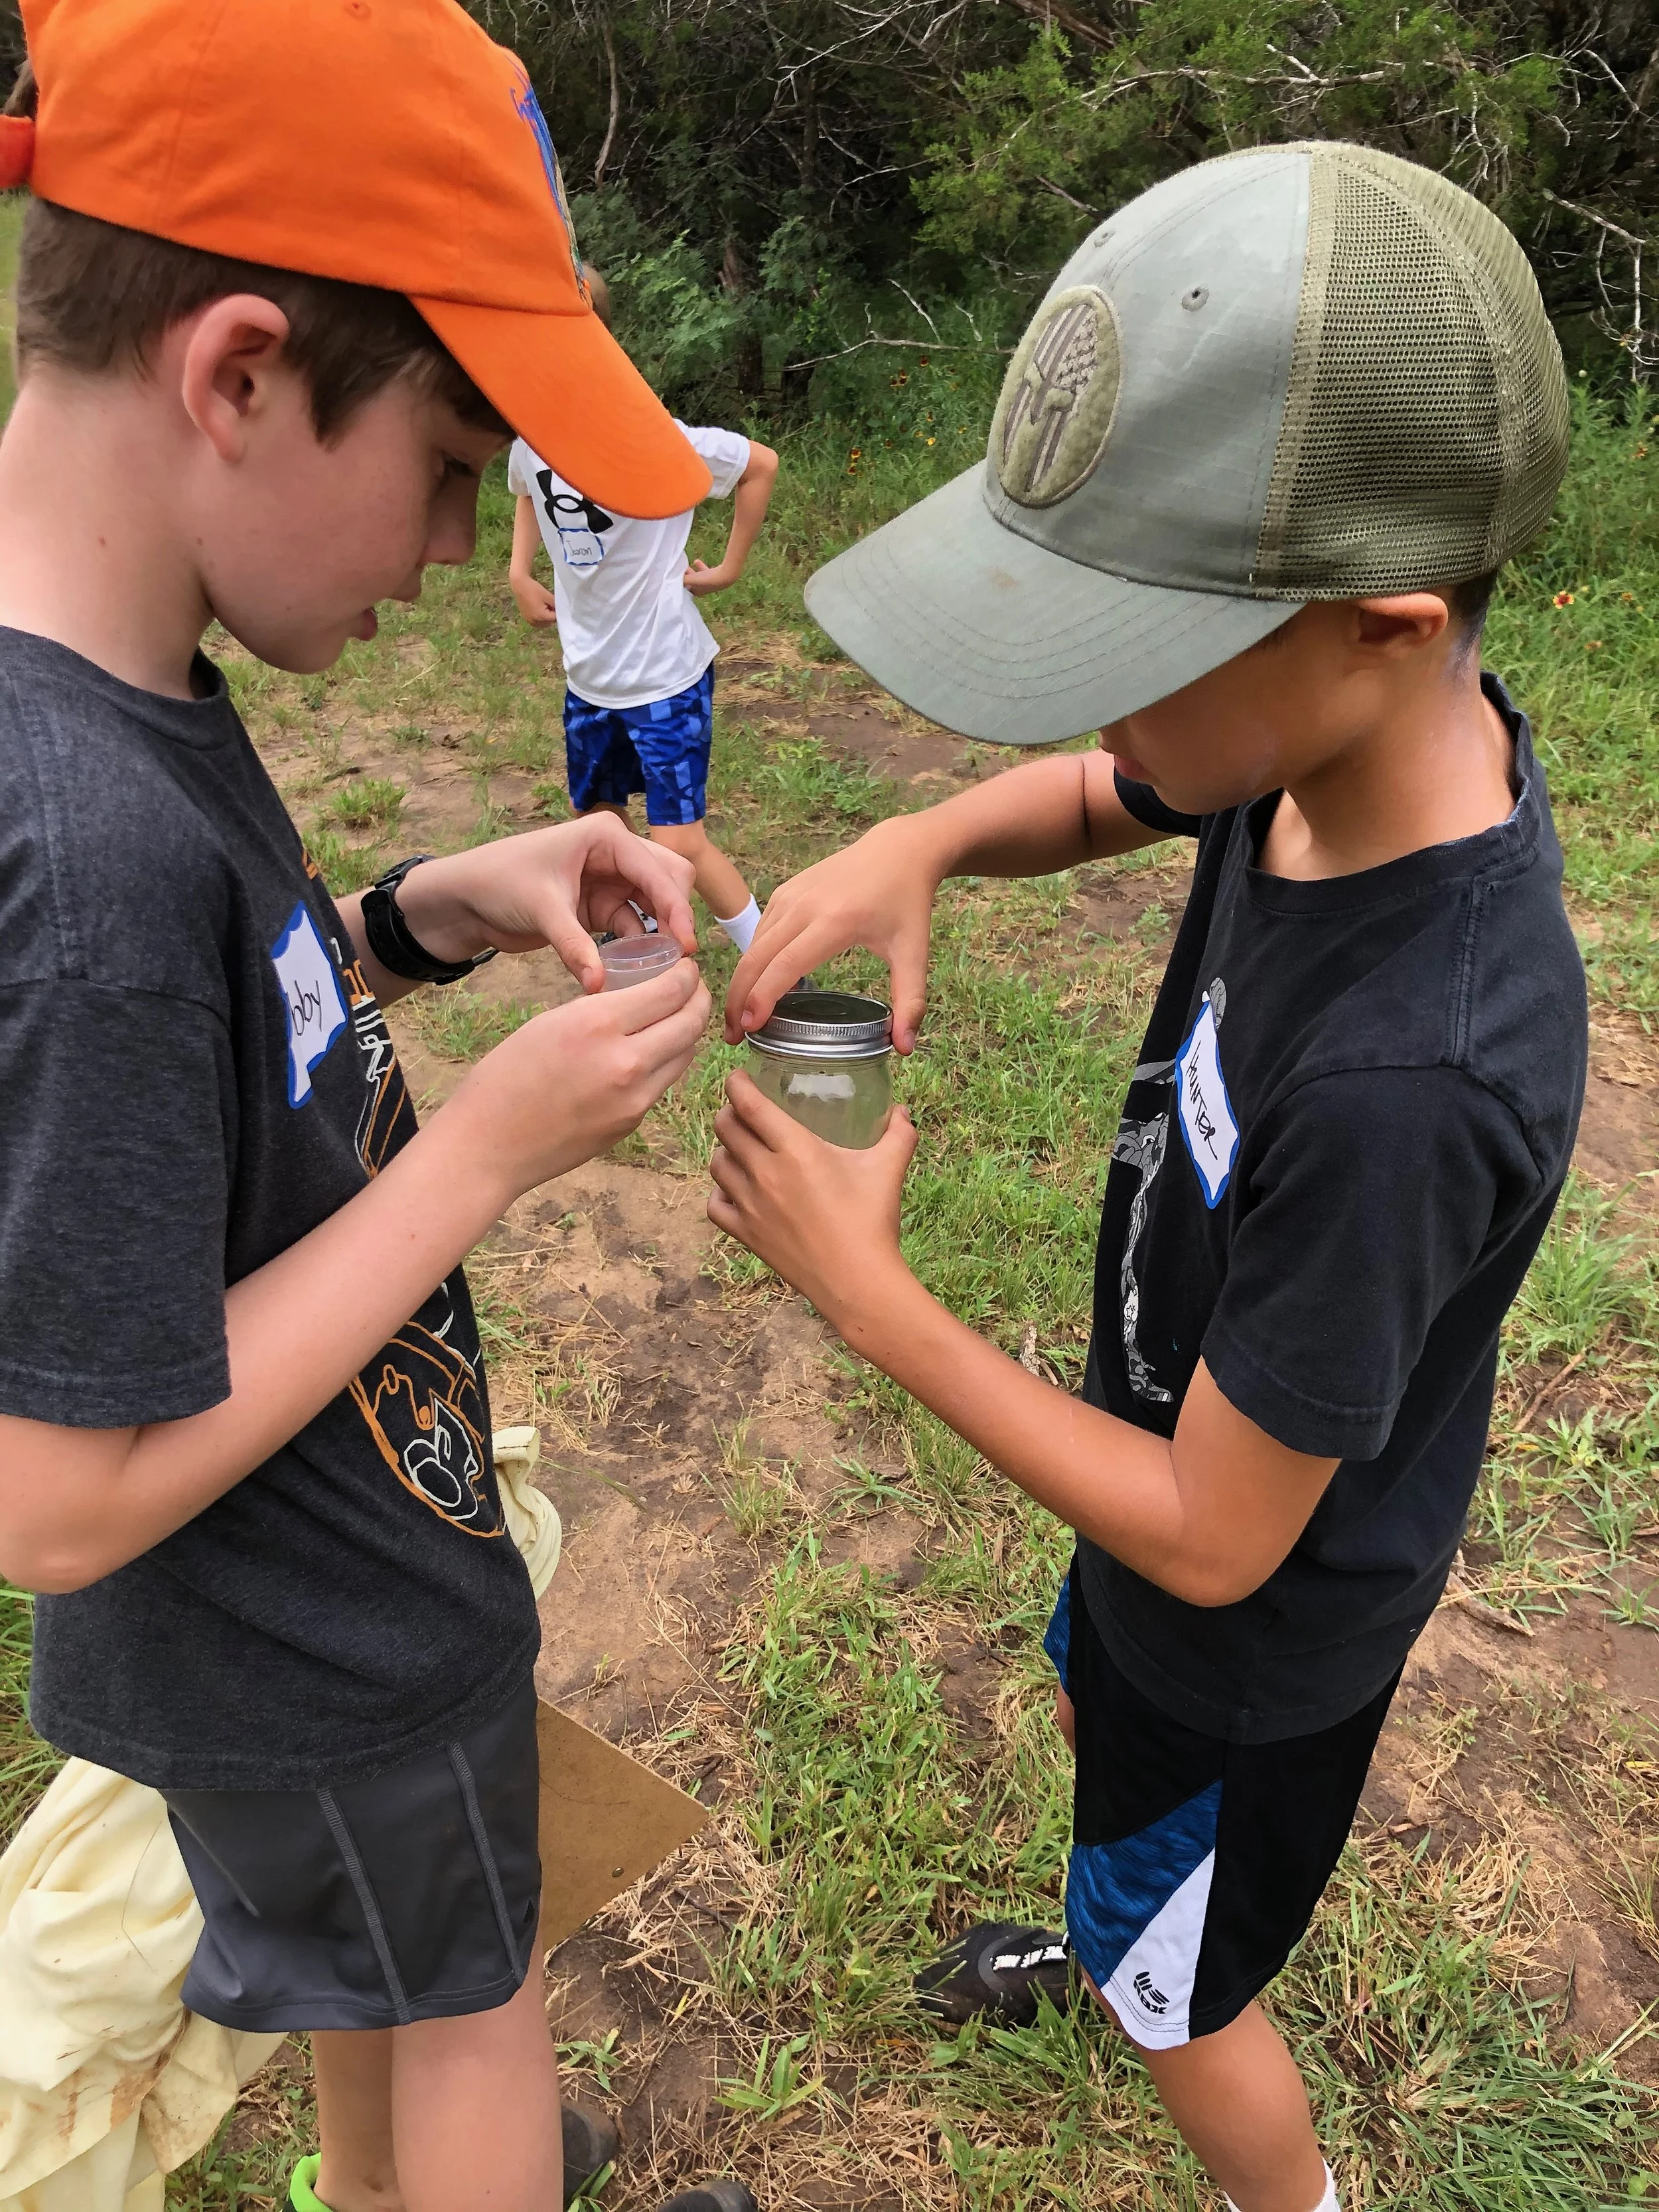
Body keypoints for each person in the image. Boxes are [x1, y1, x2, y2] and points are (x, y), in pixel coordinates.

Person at [706, 141, 1587, 2212]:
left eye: (1140, 637)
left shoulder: (1410, 1072)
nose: (1099, 697)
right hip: (1157, 1511)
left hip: (1241, 1634)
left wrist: (873, 1300)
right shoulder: (1318, 751)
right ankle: (1122, 1895)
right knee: (1108, 1750)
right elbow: (1119, 788)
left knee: (1172, 1992)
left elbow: (1205, 1535)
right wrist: (922, 840)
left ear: (1375, 625)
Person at [0, 8, 751, 2212]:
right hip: (309, 1635)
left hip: (306, 1608)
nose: (450, 545)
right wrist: (486, 1152)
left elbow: (193, 1051)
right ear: (239, 373)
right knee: (473, 2006)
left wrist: (421, 915)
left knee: (387, 1991)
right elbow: (58, 1491)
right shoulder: (81, 844)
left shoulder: (128, 696)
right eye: (447, 462)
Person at [507, 268, 778, 954]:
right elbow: (527, 489)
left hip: (663, 675)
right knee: (597, 820)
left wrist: (729, 568)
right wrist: (518, 570)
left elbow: (760, 464)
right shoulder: (531, 432)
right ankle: (647, 930)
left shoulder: (656, 436)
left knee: (679, 841)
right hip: (589, 675)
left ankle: (774, 961)